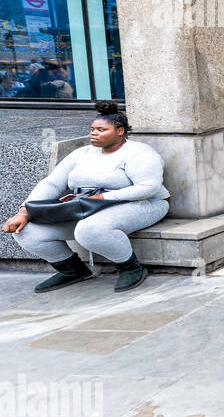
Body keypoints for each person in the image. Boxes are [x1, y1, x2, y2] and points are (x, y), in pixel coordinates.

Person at [2, 100, 170, 293]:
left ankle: (130, 267)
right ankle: (72, 270)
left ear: (120, 131)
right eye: (92, 129)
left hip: (144, 204)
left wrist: (104, 198)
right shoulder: (81, 153)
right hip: (86, 207)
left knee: (88, 229)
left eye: (101, 129)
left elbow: (149, 187)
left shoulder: (139, 153)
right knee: (26, 231)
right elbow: (53, 183)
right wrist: (24, 211)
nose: (93, 133)